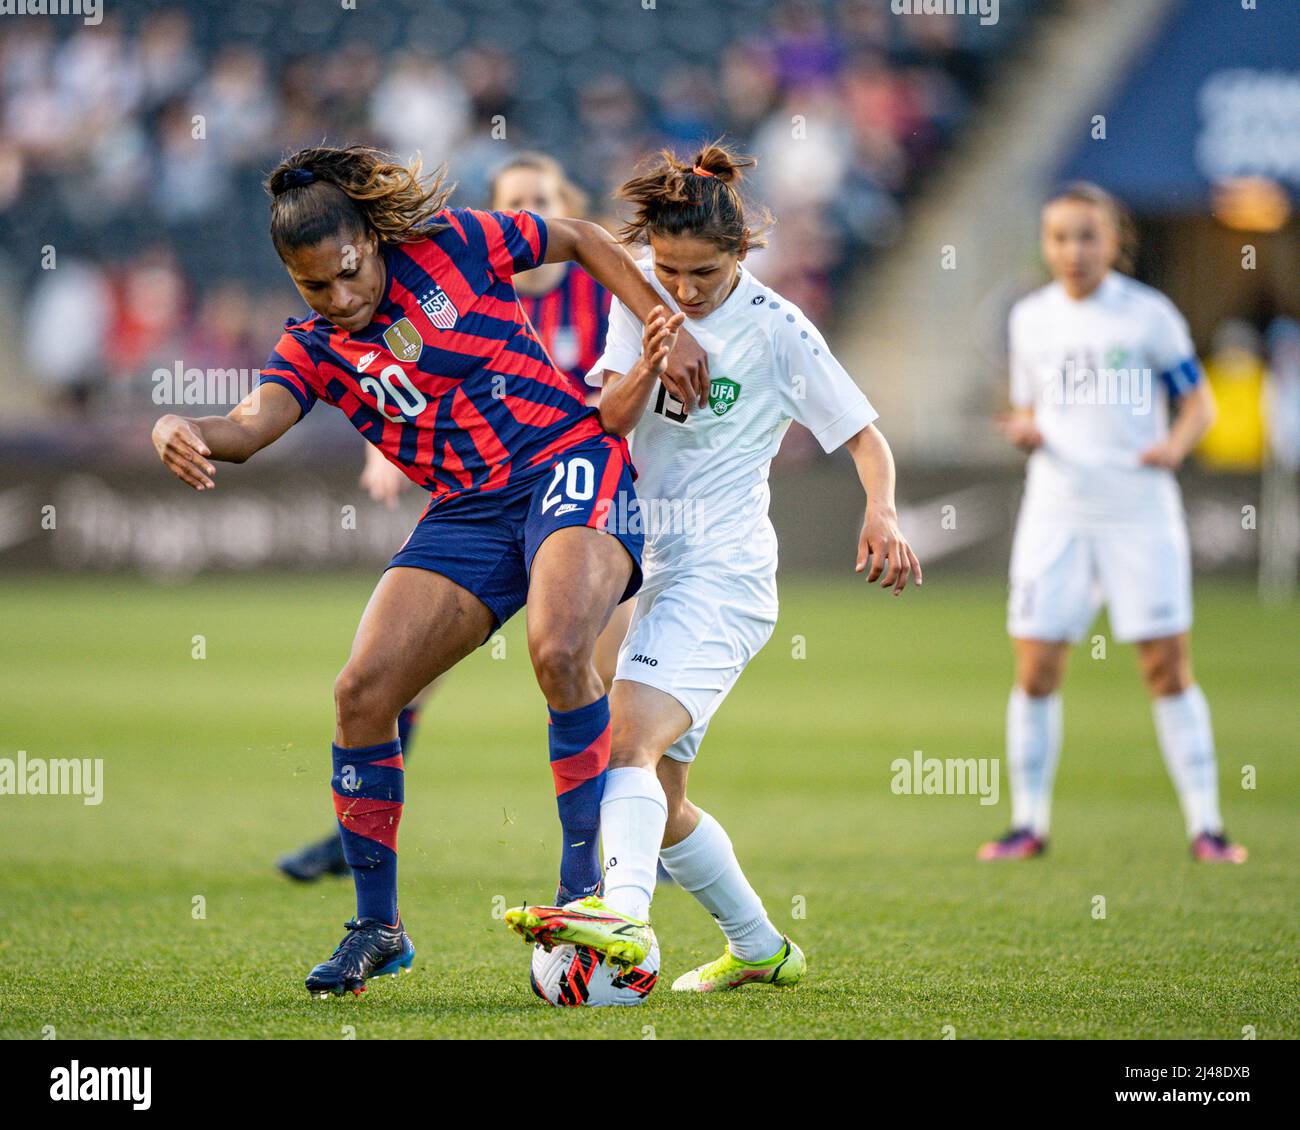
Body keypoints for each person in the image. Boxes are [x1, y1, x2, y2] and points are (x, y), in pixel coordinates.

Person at [151, 144, 709, 996]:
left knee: (561, 652)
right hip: (469, 511)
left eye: (348, 274)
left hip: (569, 460)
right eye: (314, 288)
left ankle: (581, 893)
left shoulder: (455, 242)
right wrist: (177, 426)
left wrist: (663, 326)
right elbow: (251, 424)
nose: (340, 299)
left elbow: (585, 239)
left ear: (372, 239)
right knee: (361, 693)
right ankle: (379, 926)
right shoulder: (313, 349)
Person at [504, 144, 922, 989]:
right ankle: (764, 949)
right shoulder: (645, 301)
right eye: (669, 270)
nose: (685, 289)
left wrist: (880, 508)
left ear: (741, 255)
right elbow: (610, 418)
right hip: (642, 568)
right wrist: (659, 340)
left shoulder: (777, 328)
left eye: (702, 274)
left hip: (720, 576)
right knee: (661, 799)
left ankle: (618, 914)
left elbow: (863, 435)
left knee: (622, 746)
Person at [277, 151, 627, 883]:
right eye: (516, 197)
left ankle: (616, 854)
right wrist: (387, 450)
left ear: (564, 194)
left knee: (584, 667)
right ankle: (355, 846)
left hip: (587, 479)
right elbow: (405, 389)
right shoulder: (457, 271)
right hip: (478, 493)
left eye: (541, 194)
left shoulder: (596, 295)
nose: (528, 204)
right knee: (389, 677)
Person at [979, 182, 1246, 864]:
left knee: (1165, 666)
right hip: (1057, 508)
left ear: (1113, 242)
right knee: (1036, 666)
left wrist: (1174, 447)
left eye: (1087, 236)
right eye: (1061, 237)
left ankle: (1207, 827)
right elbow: (1035, 406)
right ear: (1047, 245)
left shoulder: (1148, 315)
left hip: (1137, 506)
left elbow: (1199, 404)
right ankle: (1028, 823)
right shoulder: (1031, 318)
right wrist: (1027, 430)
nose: (1073, 250)